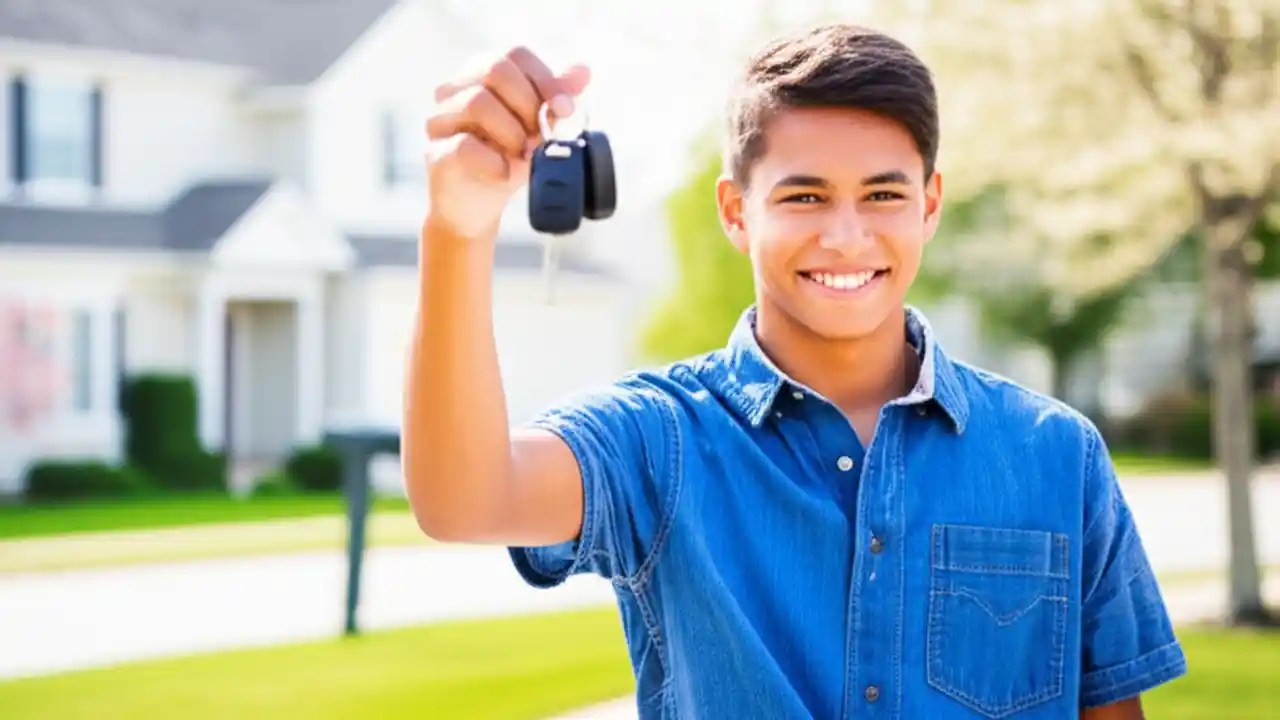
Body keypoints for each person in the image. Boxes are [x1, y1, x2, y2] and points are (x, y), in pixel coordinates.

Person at [405, 22, 1187, 720]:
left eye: (883, 194)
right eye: (805, 196)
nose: (846, 238)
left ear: (930, 204)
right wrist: (458, 230)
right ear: (737, 213)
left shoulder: (1056, 454)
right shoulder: (659, 441)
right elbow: (465, 498)